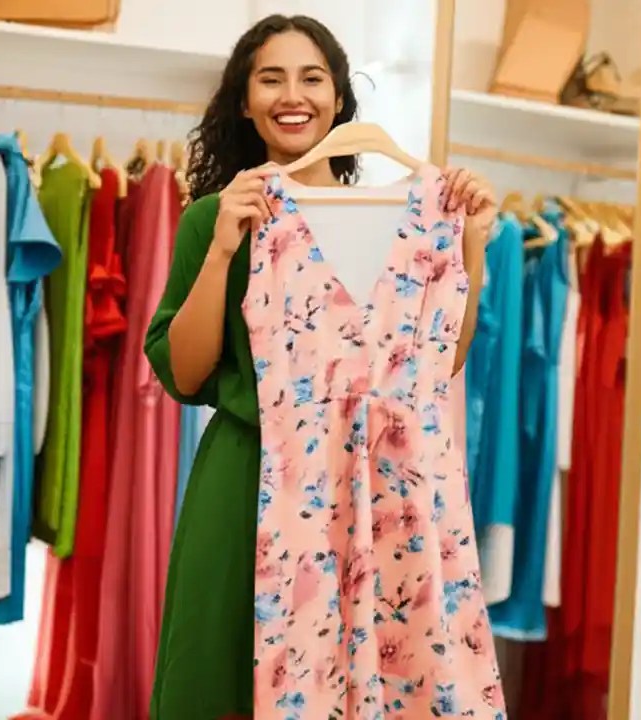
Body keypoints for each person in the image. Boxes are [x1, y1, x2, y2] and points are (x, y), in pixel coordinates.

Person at [143, 13, 497, 719]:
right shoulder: (217, 215)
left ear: (339, 97)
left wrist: (473, 248)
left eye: (311, 78)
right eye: (270, 79)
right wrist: (222, 247)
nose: (292, 96)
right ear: (244, 101)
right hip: (247, 483)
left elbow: (439, 366)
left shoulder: (408, 213)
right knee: (223, 685)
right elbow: (185, 375)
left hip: (381, 490)